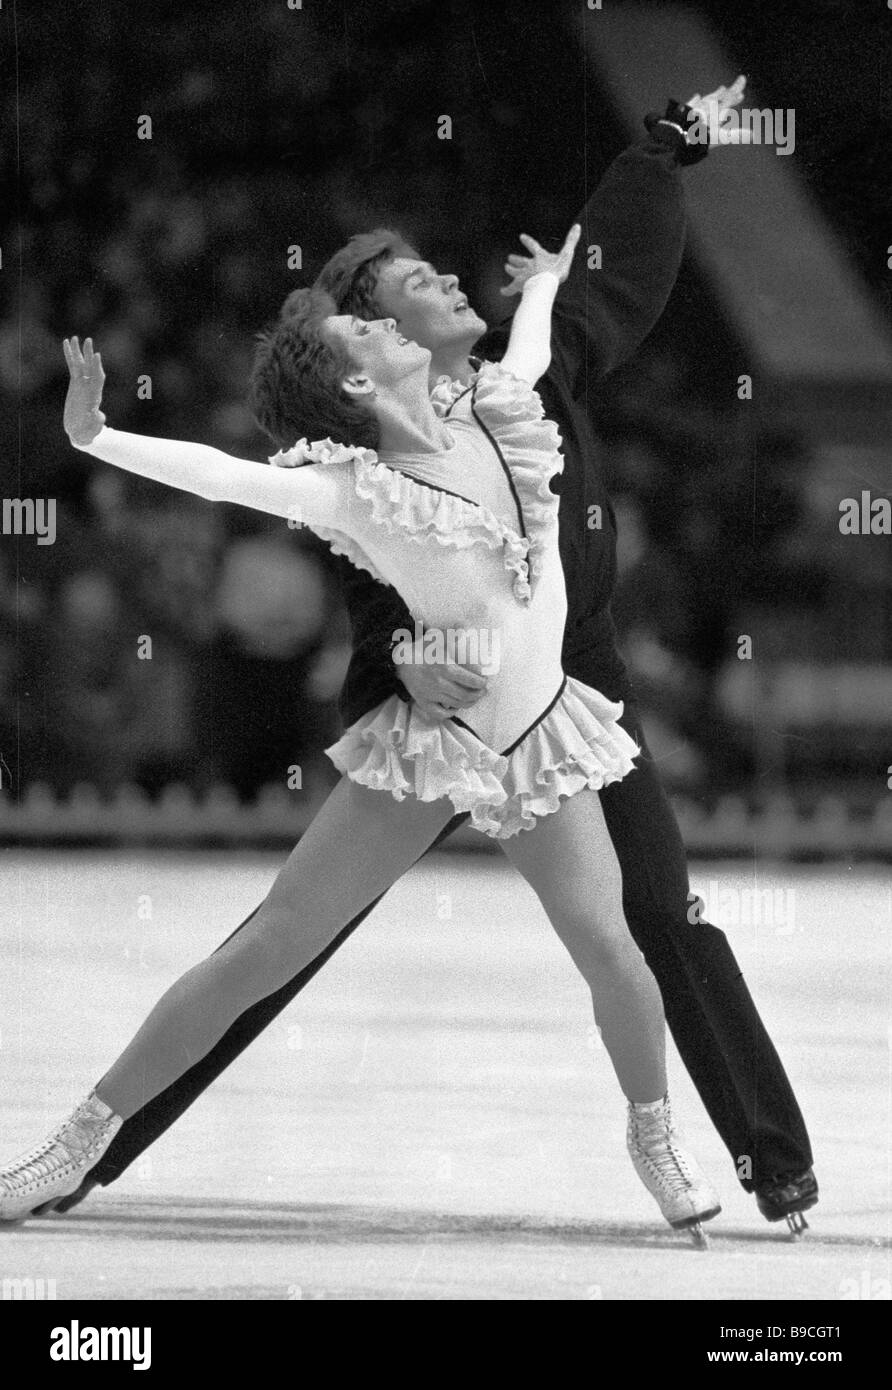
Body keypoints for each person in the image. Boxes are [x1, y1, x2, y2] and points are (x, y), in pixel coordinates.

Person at [7, 82, 816, 1236]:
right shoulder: (355, 477)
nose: (436, 286)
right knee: (280, 938)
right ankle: (78, 1147)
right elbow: (272, 503)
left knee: (639, 931)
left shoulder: (512, 395)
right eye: (394, 298)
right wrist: (97, 439)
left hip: (557, 709)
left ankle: (711, 1153)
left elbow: (592, 278)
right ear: (355, 361)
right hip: (428, 710)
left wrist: (662, 149)